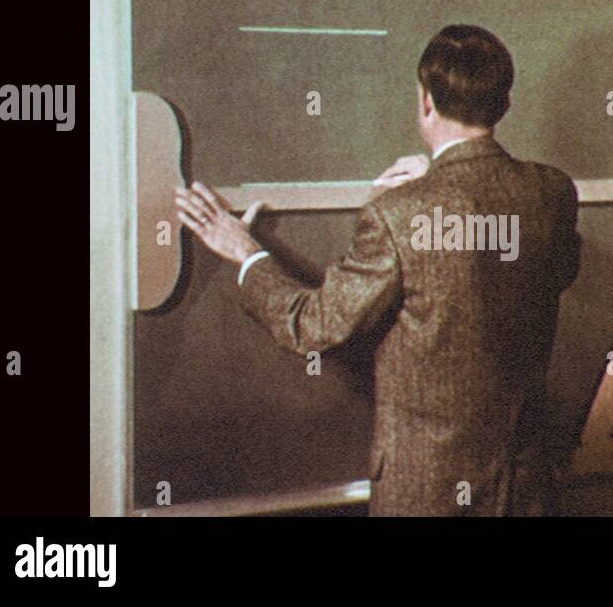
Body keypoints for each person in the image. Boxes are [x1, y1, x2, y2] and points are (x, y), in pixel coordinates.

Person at [175, 25, 581, 516]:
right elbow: (551, 267)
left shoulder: (398, 215)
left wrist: (245, 253)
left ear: (426, 101)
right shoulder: (553, 193)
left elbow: (316, 324)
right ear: (504, 103)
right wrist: (440, 183)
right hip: (525, 486)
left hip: (426, 493)